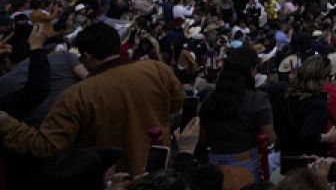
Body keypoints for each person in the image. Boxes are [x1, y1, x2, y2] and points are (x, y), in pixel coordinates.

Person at [0, 22, 184, 175]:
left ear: (87, 56)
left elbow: (47, 147)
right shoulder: (157, 70)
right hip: (157, 173)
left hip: (111, 179)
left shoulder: (76, 95)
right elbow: (177, 103)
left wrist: (7, 124)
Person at [197, 45, 275, 179]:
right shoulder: (258, 99)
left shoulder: (210, 98)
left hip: (215, 161)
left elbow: (203, 138)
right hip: (246, 162)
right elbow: (270, 138)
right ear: (251, 69)